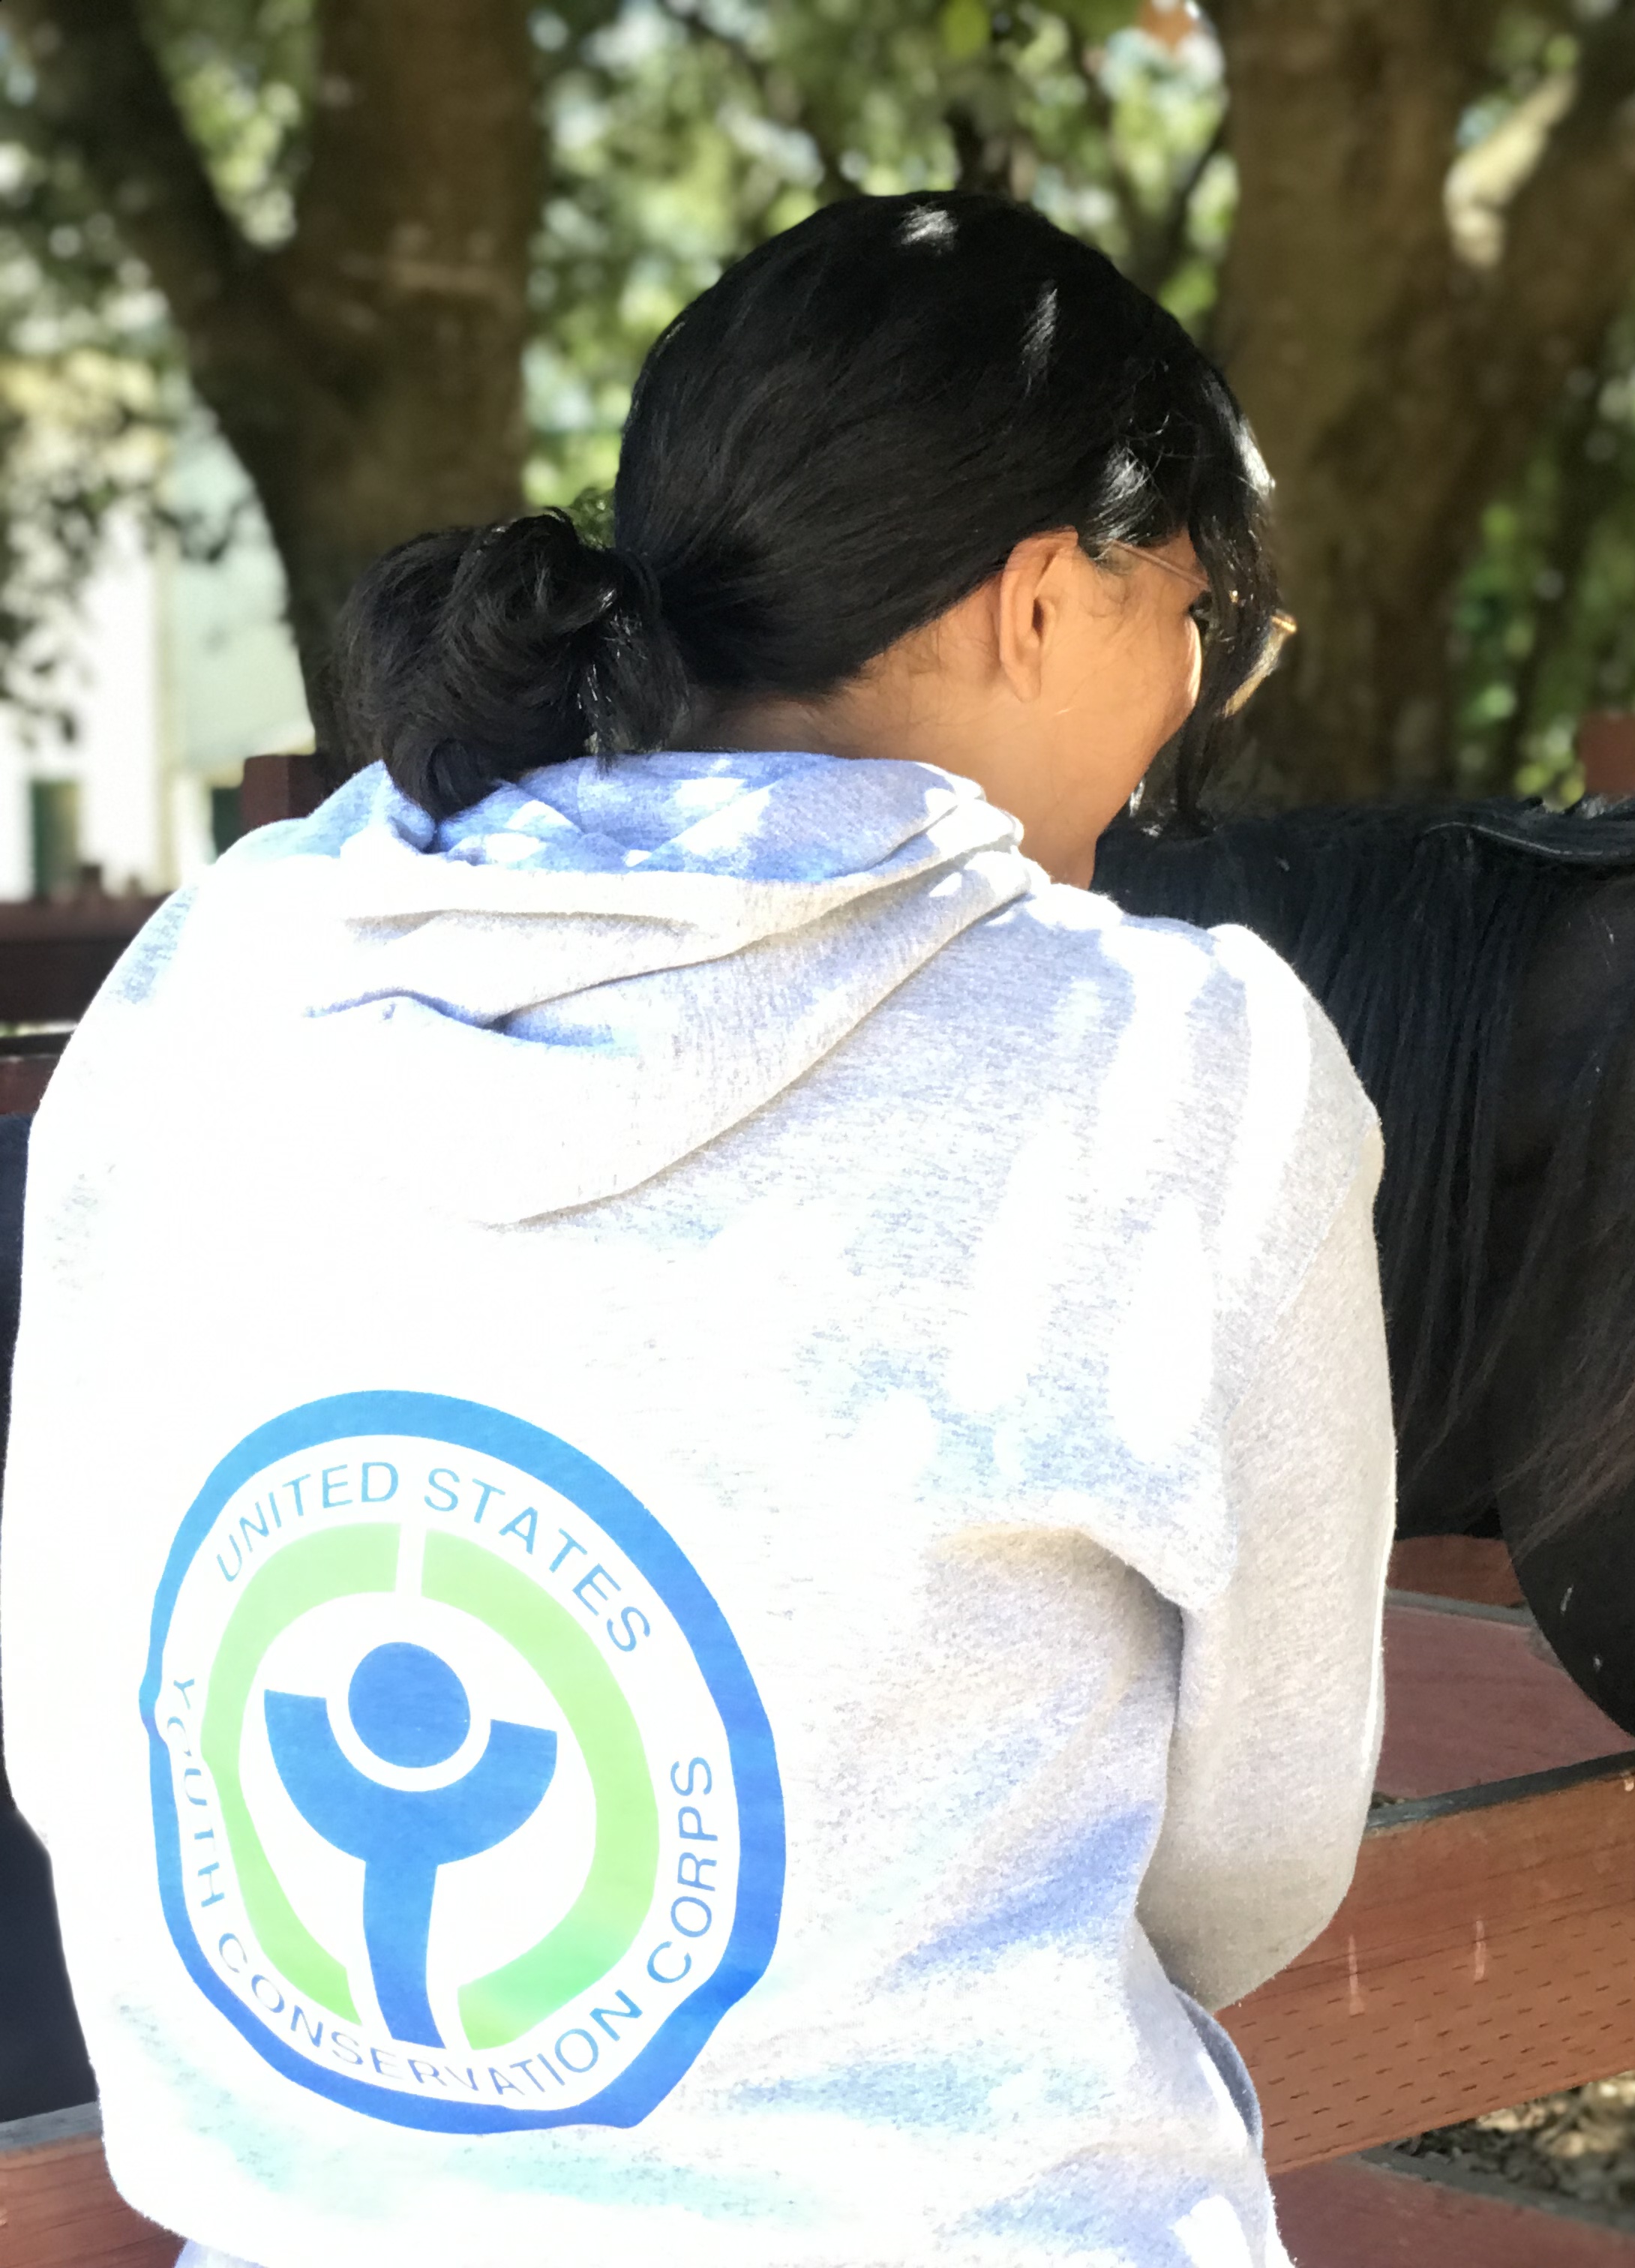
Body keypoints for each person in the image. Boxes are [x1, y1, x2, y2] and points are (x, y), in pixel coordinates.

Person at [0, 193, 1394, 2268]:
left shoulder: (219, 979)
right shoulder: (1176, 1070)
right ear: (1046, 598)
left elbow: (76, 1702)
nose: (1195, 697)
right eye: (1204, 618)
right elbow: (1251, 1851)